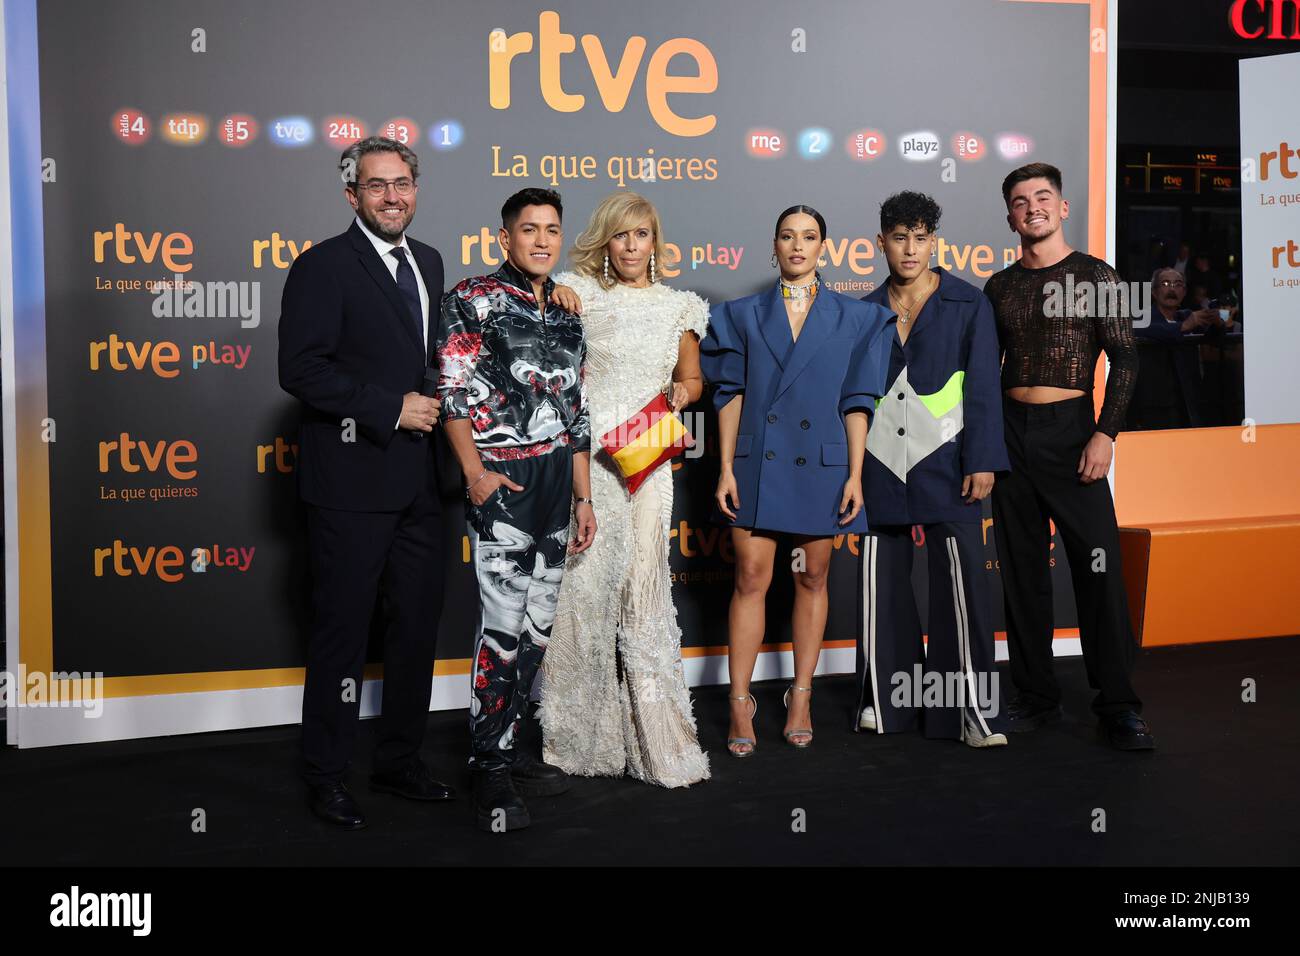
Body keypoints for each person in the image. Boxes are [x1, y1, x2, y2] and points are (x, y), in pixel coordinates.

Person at [278, 136, 452, 830]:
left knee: (414, 630)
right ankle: (325, 775)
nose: (392, 196)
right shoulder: (322, 266)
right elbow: (301, 369)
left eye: (403, 183)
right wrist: (389, 408)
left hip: (421, 485)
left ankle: (400, 761)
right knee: (342, 636)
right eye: (377, 185)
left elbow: (430, 361)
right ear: (352, 195)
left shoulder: (431, 262)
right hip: (350, 484)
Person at [701, 205, 891, 755]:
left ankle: (800, 695)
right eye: (787, 236)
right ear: (774, 246)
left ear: (824, 248)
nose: (798, 245)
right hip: (758, 464)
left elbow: (859, 402)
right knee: (751, 576)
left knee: (812, 578)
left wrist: (856, 474)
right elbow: (729, 394)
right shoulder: (739, 315)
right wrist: (727, 467)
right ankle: (741, 700)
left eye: (809, 237)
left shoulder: (857, 318)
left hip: (824, 465)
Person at [436, 187, 597, 831]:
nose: (540, 240)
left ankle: (503, 741)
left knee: (537, 626)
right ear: (504, 238)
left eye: (551, 230)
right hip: (506, 482)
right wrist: (474, 474)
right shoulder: (471, 299)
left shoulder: (565, 310)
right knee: (500, 629)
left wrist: (585, 496)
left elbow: (577, 412)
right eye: (528, 230)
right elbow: (449, 393)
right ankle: (487, 764)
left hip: (561, 483)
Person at [541, 191, 711, 788]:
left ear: (655, 242)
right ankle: (580, 739)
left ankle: (658, 742)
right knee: (584, 593)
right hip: (586, 460)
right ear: (606, 242)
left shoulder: (680, 306)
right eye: (622, 235)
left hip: (645, 462)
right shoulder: (574, 293)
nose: (633, 245)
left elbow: (692, 377)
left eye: (642, 235)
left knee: (643, 593)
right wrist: (556, 294)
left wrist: (679, 398)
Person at [983, 162, 1154, 751]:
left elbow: (1126, 361)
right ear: (1009, 216)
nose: (1032, 206)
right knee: (1023, 573)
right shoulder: (999, 287)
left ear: (1062, 208)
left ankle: (1119, 706)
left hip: (1073, 432)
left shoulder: (1095, 276)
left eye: (1043, 197)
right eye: (1020, 200)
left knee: (1099, 572)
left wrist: (1105, 434)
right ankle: (1036, 698)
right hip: (1010, 436)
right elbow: (984, 374)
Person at [856, 191, 1010, 748]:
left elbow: (986, 389)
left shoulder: (968, 303)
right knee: (881, 587)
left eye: (921, 238)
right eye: (900, 237)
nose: (910, 249)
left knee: (963, 586)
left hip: (950, 465)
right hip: (880, 465)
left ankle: (969, 711)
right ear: (881, 243)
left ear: (934, 242)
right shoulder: (865, 312)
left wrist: (984, 460)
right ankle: (885, 702)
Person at [1128, 268, 1215, 430]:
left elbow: (1213, 337)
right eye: (1165, 284)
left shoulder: (1186, 315)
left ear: (1184, 292)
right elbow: (1145, 330)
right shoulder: (1142, 318)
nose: (1172, 289)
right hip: (1154, 404)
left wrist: (1217, 323)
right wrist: (1184, 327)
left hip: (1187, 401)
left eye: (1178, 284)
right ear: (1154, 292)